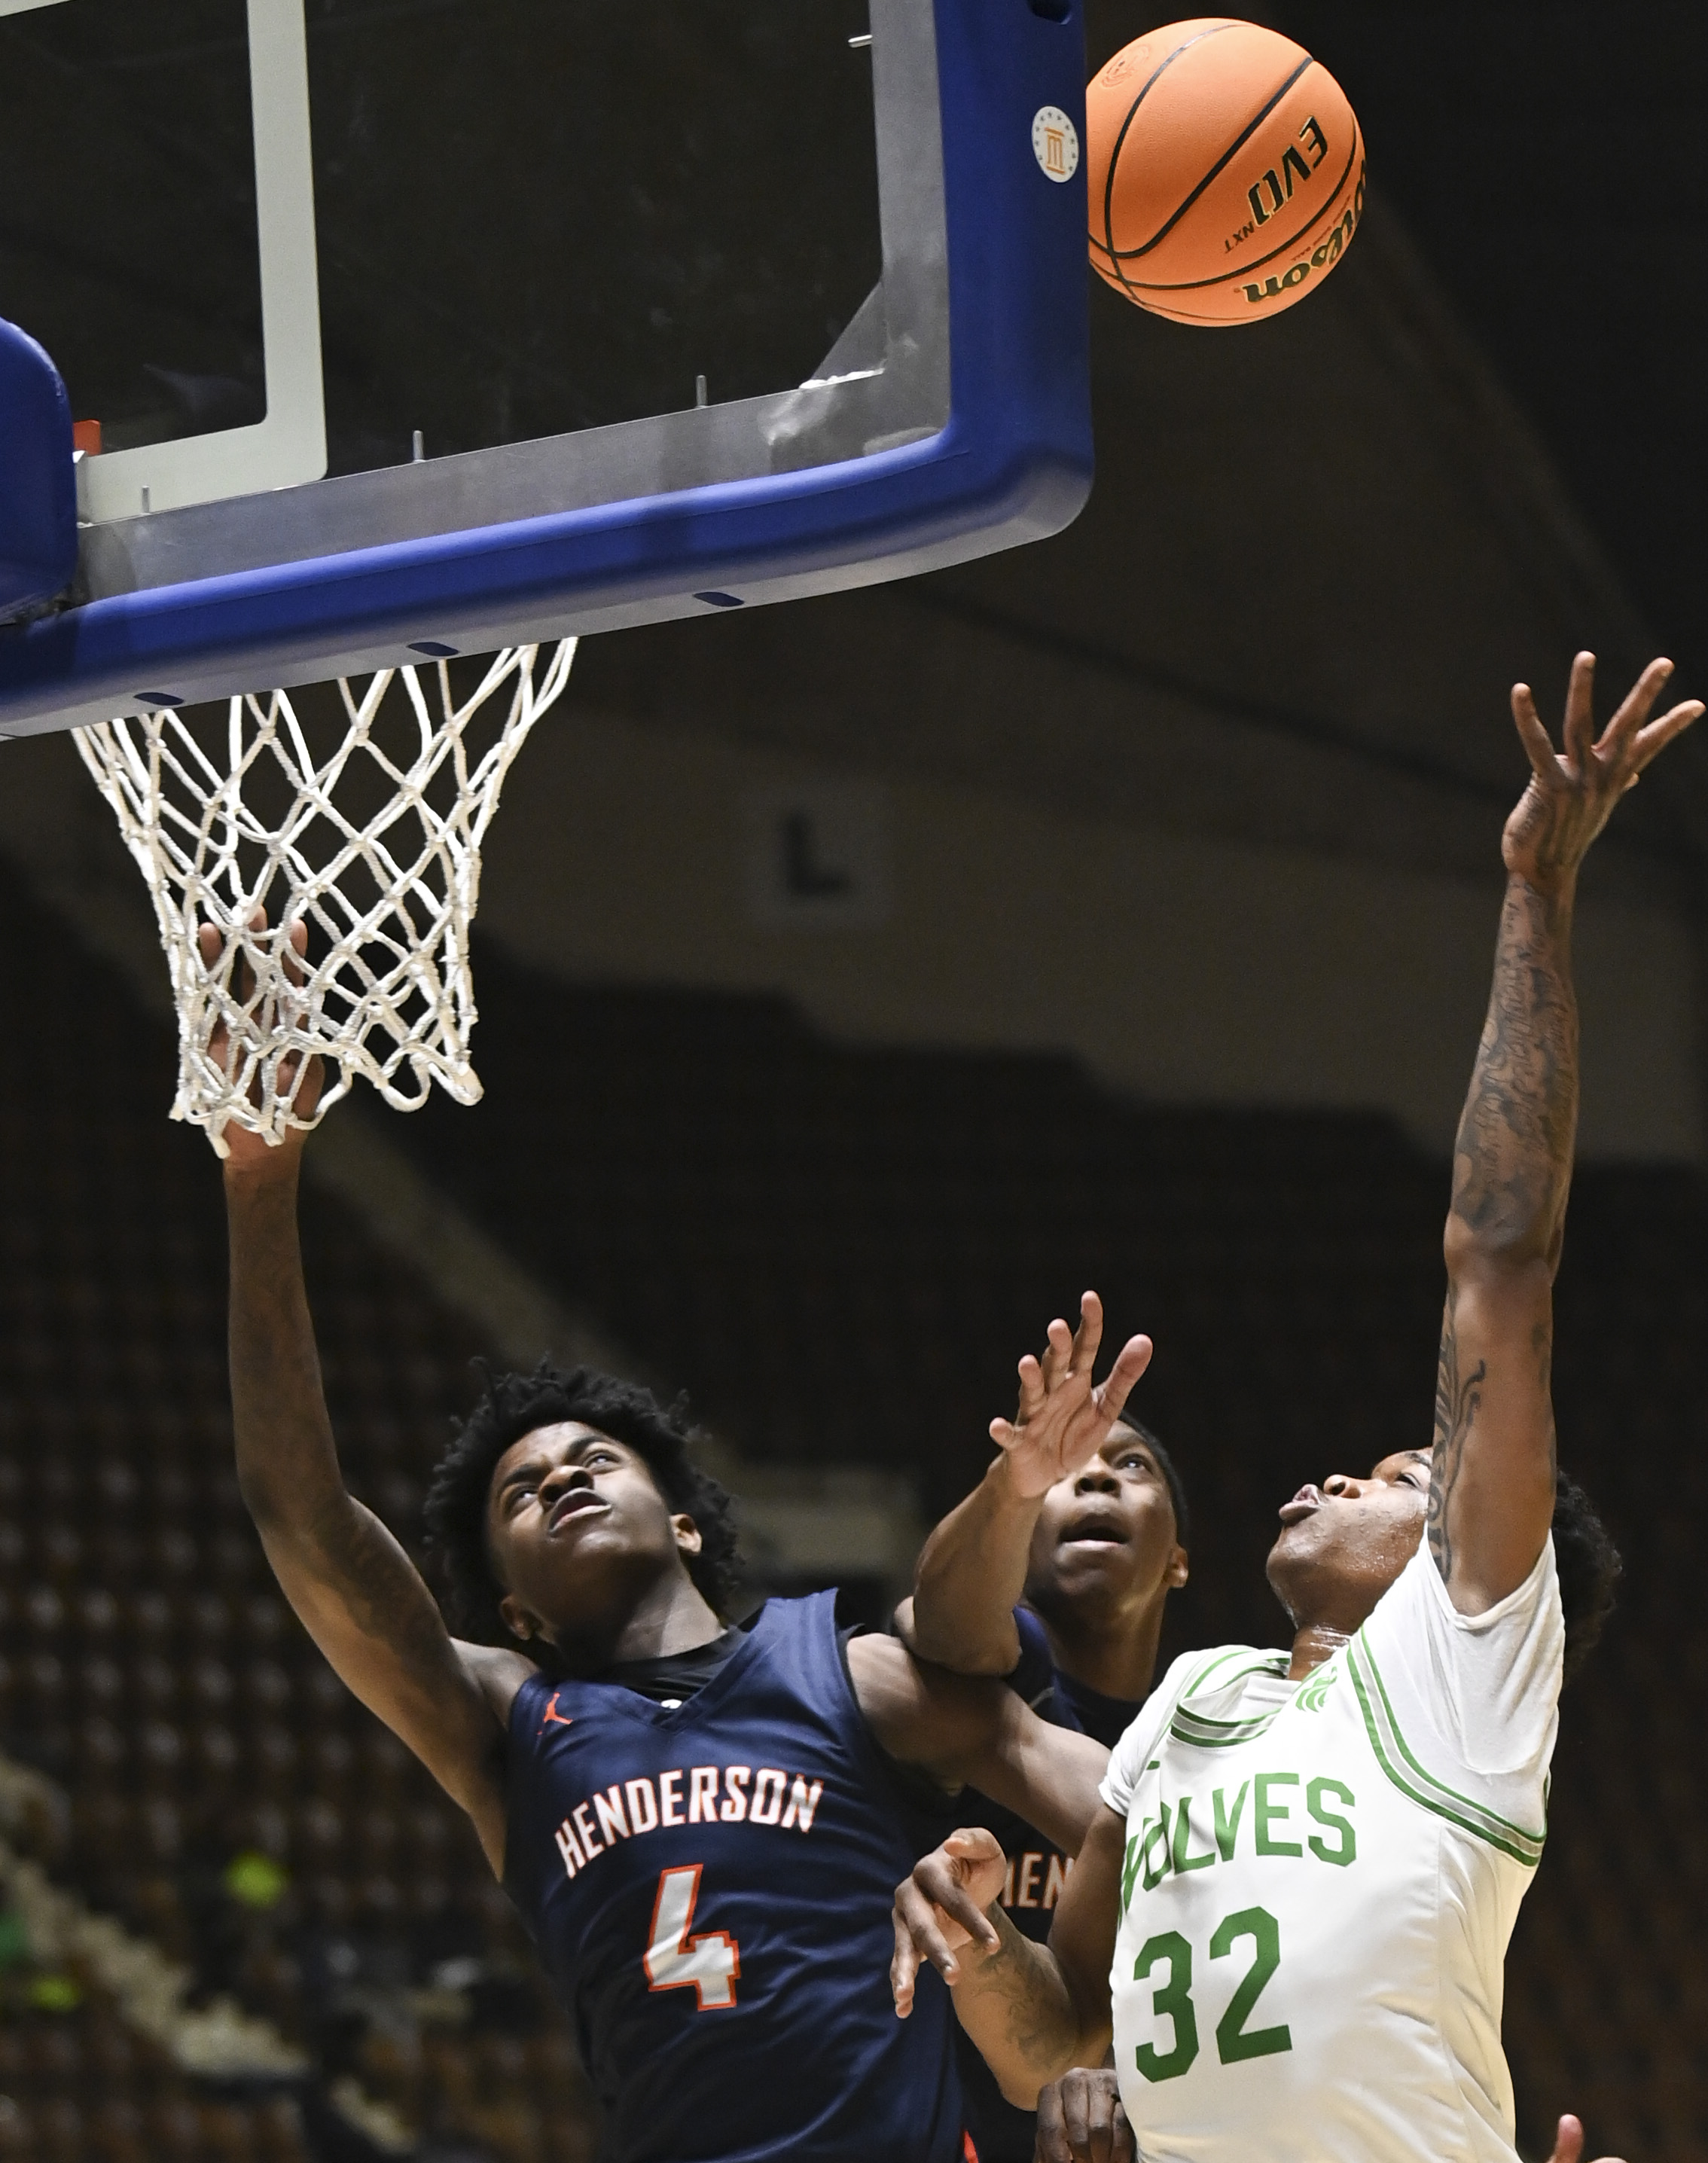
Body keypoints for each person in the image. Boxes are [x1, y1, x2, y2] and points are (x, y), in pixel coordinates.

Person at [890, 654, 1692, 2163]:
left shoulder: (1466, 1667)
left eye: (1399, 1470)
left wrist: (1535, 890)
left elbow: (1501, 1261)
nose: (1341, 1472)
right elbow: (1060, 2037)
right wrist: (978, 1939)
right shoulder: (1189, 1707)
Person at [215, 977, 1106, 2163]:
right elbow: (305, 1520)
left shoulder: (853, 1679)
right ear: (515, 1605)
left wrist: (1087, 1998)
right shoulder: (514, 1729)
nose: (562, 1483)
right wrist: (261, 1185)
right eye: (520, 1495)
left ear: (683, 1522)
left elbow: (1138, 1809)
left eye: (593, 1460)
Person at [895, 1298, 1183, 2163]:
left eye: (1129, 1465)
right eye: (1070, 1473)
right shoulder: (995, 1664)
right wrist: (1013, 1483)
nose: (1096, 1478)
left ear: (1179, 1558)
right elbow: (940, 1617)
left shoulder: (1208, 1721)